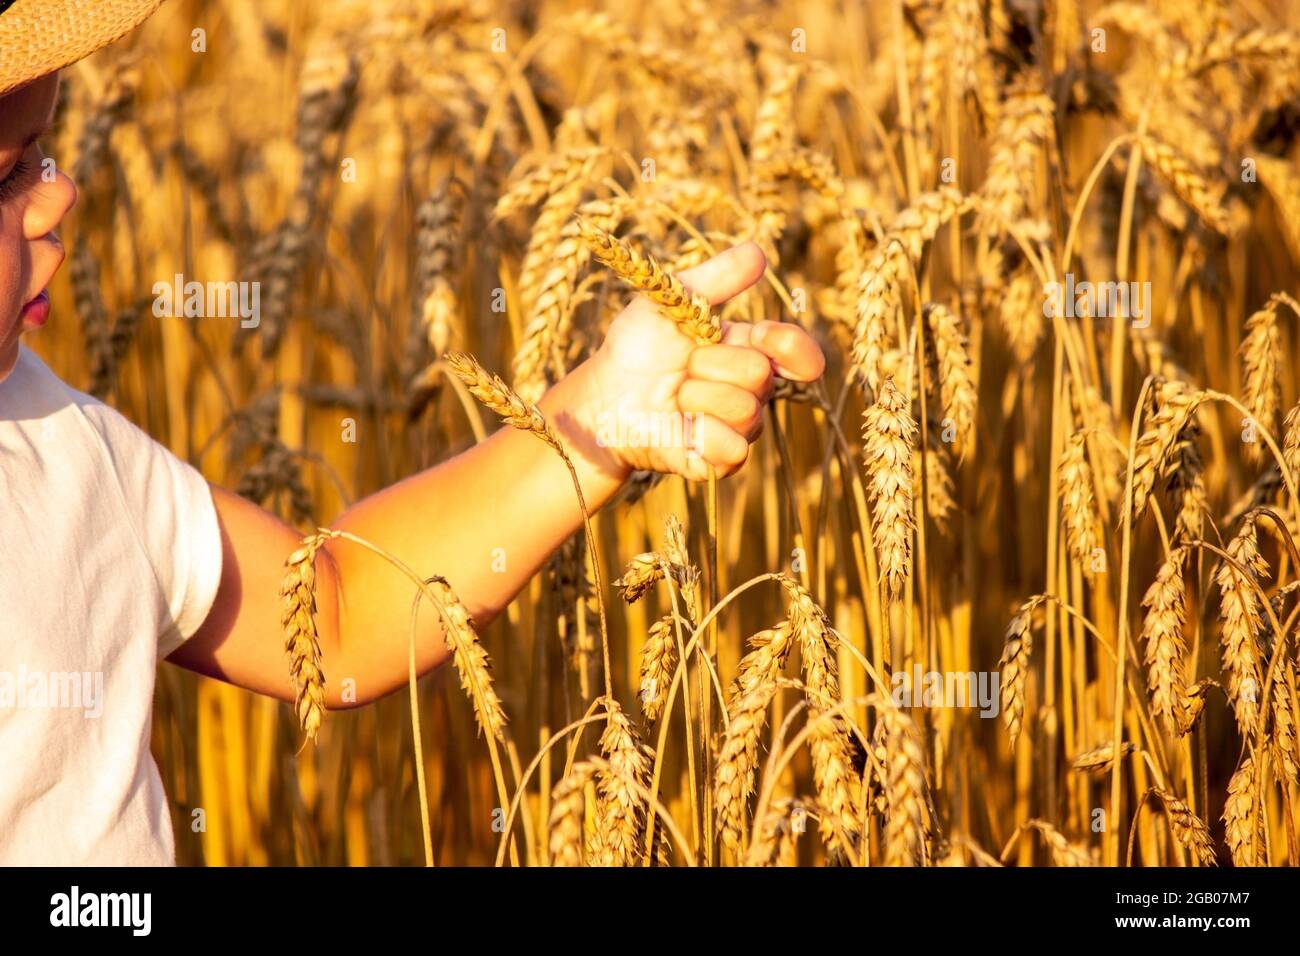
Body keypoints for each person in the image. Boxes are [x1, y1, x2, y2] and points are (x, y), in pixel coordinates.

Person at [0, 0, 825, 863]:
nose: (63, 191)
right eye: (13, 172)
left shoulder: (69, 443)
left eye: (52, 151)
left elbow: (338, 609)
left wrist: (597, 420)